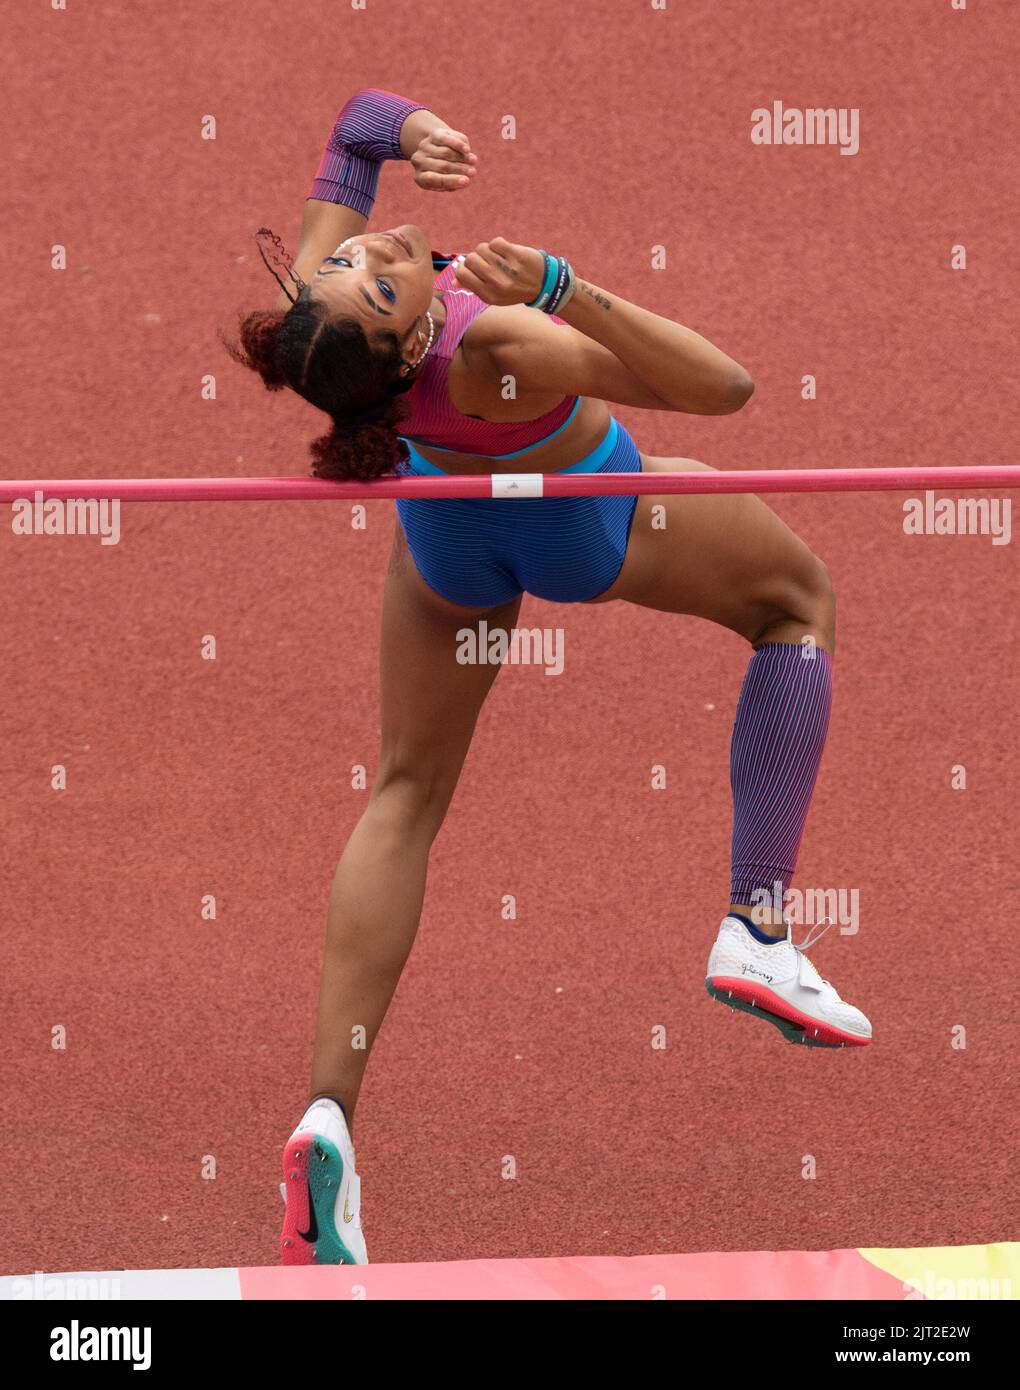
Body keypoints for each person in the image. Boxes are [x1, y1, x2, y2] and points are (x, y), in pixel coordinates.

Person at [225, 88, 871, 1267]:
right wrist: (566, 288)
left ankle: (328, 1116)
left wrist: (402, 130)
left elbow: (352, 132)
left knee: (406, 792)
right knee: (796, 603)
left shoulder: (324, 325)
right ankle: (757, 924)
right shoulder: (495, 346)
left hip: (449, 543)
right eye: (377, 279)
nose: (366, 249)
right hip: (587, 520)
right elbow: (721, 387)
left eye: (350, 259)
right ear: (419, 339)